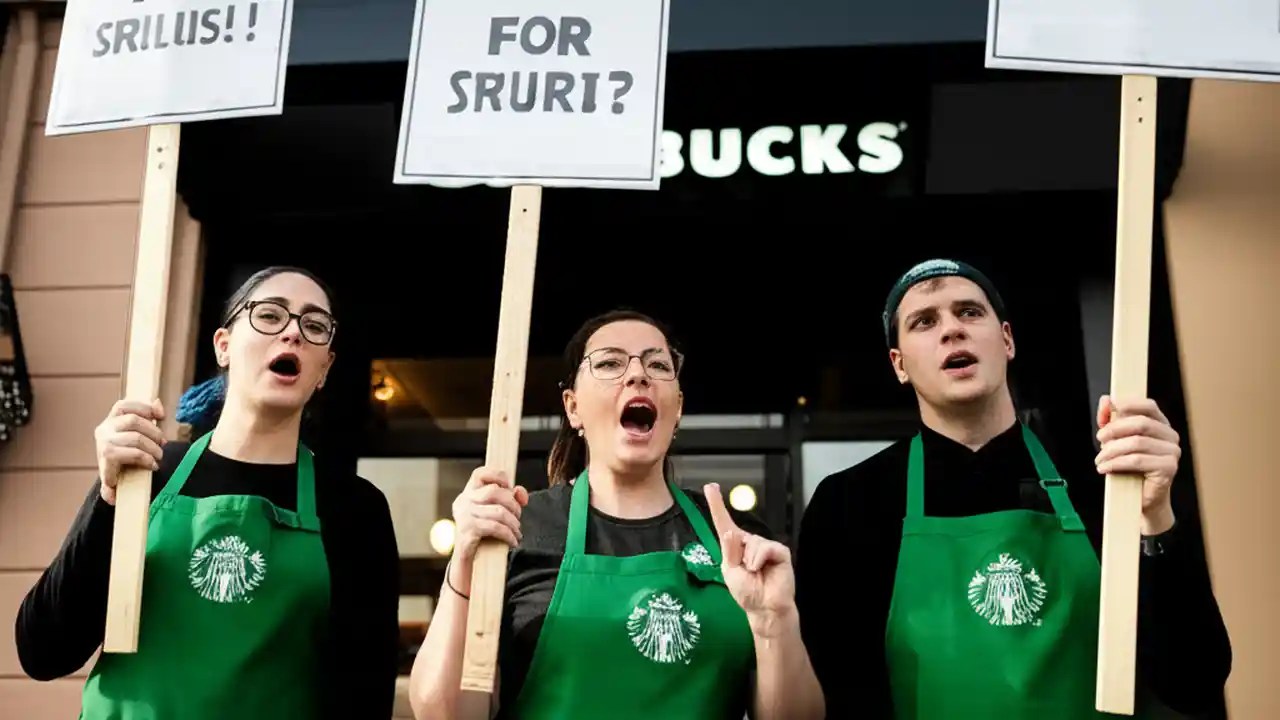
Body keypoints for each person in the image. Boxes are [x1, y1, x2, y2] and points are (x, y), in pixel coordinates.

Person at [795, 258, 1233, 719]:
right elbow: (832, 696)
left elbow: (1195, 680)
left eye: (969, 312)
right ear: (899, 365)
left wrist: (1156, 519)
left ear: (1006, 340)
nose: (951, 330)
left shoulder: (1105, 480)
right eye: (925, 321)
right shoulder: (849, 504)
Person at [14, 266, 401, 719]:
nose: (293, 333)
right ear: (223, 346)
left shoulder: (355, 510)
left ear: (324, 370)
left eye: (314, 326)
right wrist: (108, 499)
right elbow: (44, 652)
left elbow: (365, 699)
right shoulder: (146, 471)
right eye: (270, 316)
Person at [408, 309, 825, 720]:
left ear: (676, 407)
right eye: (609, 362)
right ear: (573, 407)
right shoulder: (516, 528)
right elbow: (443, 713)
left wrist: (775, 622)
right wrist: (463, 563)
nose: (638, 374)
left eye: (658, 364)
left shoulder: (737, 540)